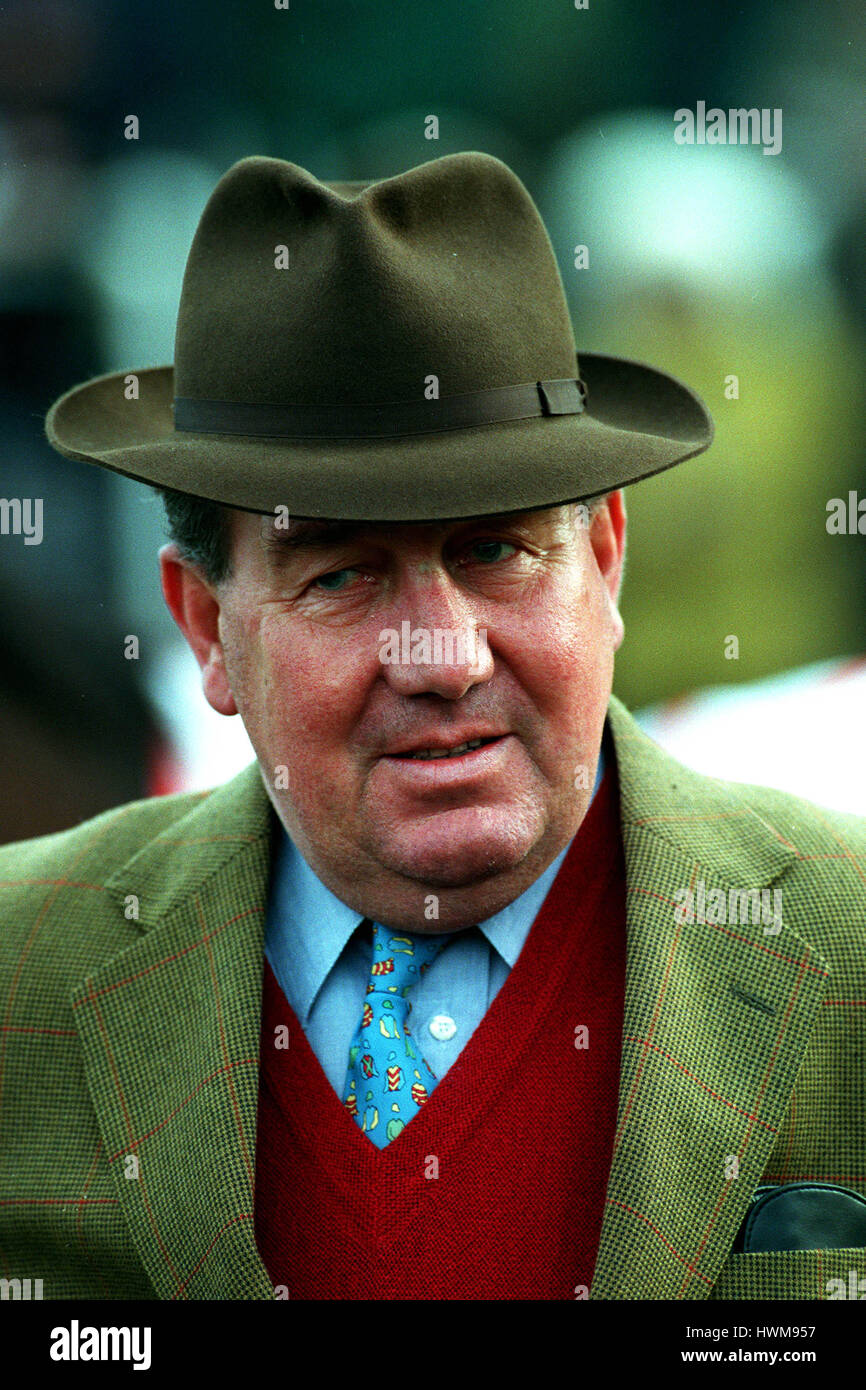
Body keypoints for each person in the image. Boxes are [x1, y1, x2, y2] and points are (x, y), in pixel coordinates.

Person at [2, 151, 865, 1302]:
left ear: (604, 558)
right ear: (206, 628)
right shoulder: (21, 978)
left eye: (493, 550)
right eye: (342, 576)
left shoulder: (845, 946)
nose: (442, 658)